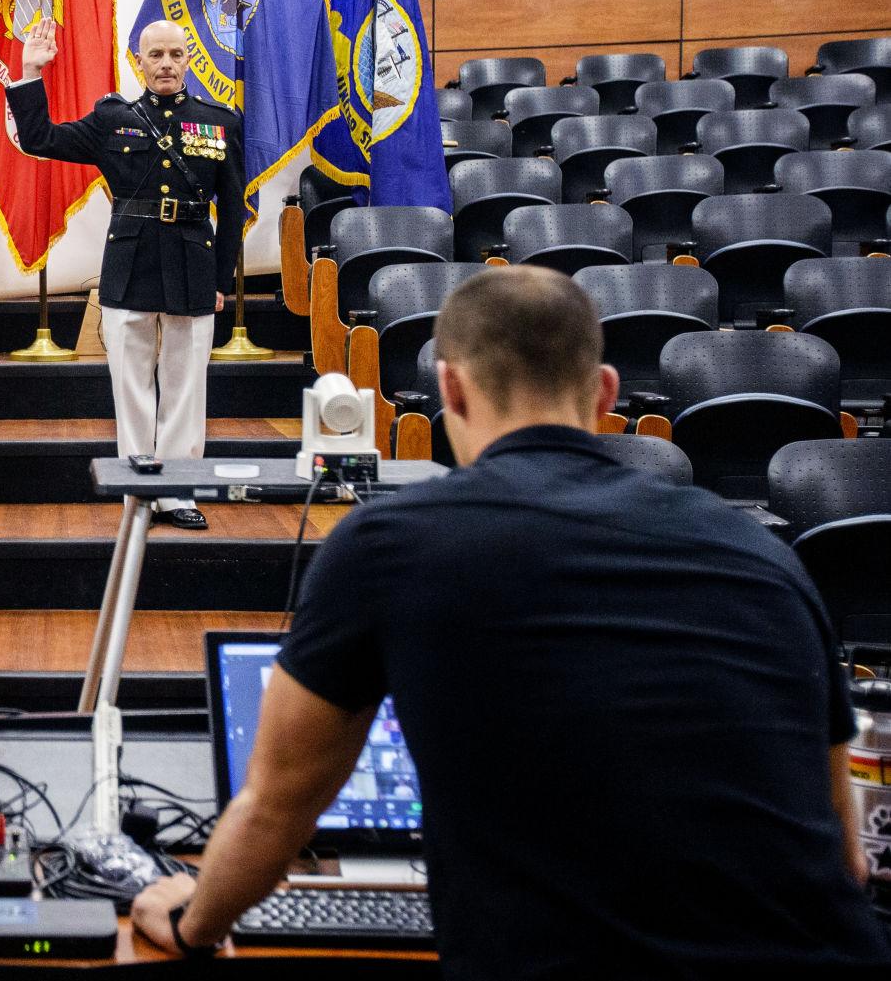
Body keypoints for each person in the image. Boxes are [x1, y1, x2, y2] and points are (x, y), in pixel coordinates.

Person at [133, 266, 891, 977]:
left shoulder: (390, 543)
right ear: (605, 392)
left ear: (450, 389)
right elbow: (846, 857)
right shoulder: (761, 554)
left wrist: (192, 921)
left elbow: (277, 810)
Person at [7, 17, 244, 529]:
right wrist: (31, 73)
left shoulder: (220, 121)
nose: (166, 64)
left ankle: (178, 492)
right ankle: (138, 492)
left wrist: (221, 281)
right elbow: (40, 138)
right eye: (155, 54)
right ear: (139, 61)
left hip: (192, 266)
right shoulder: (112, 119)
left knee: (185, 386)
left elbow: (233, 208)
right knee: (132, 388)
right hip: (130, 265)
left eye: (175, 54)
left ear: (189, 60)